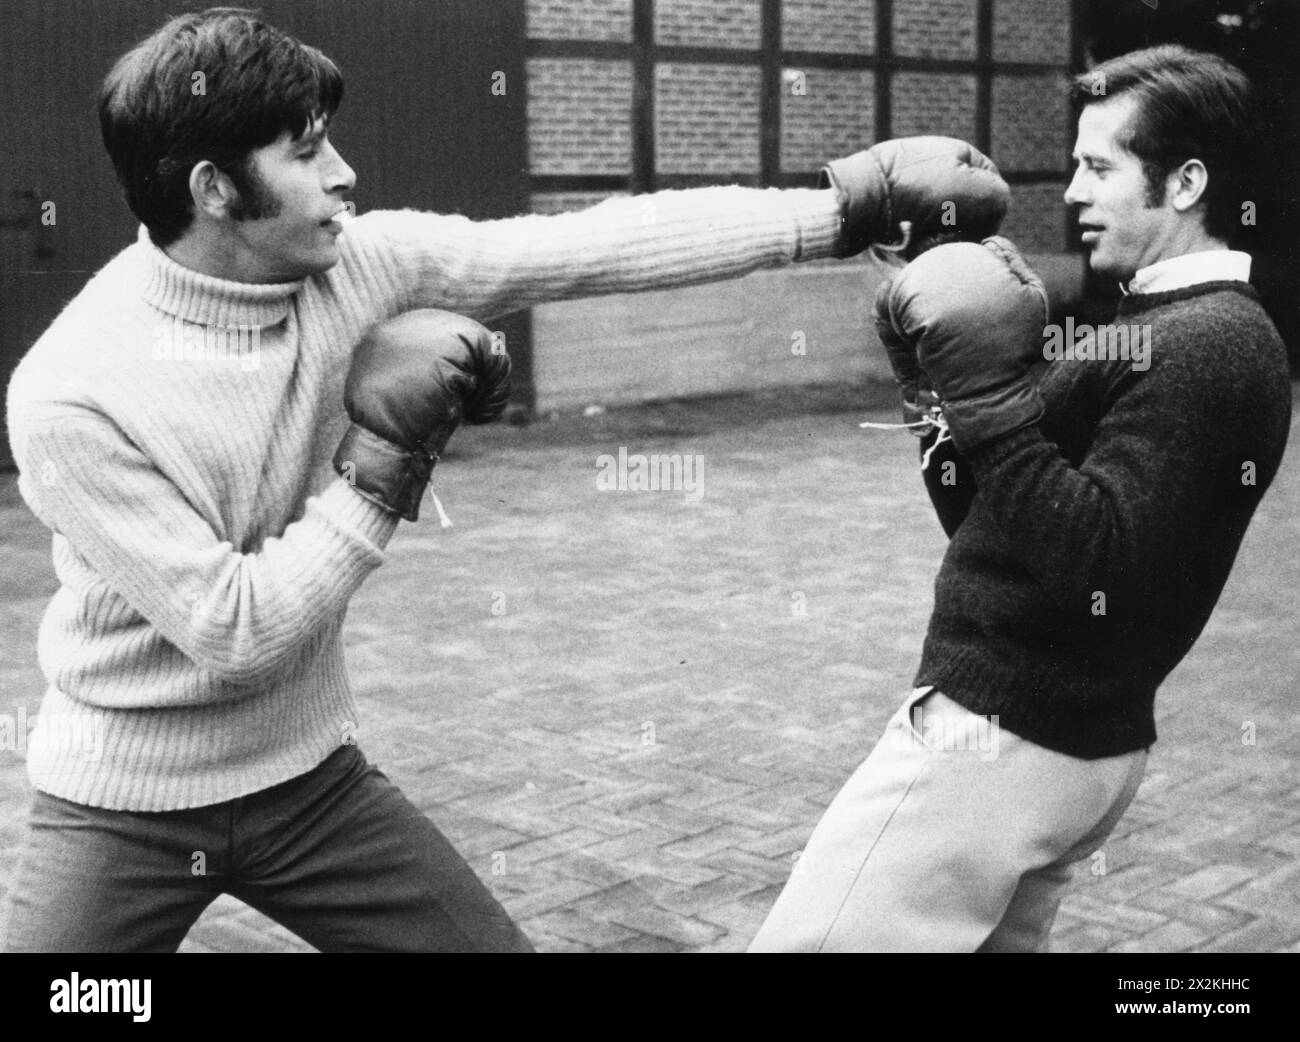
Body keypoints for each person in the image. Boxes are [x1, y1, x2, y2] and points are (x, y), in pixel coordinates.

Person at [1, 7, 1009, 952]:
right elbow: (236, 630)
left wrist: (840, 209)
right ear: (215, 190)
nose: (345, 175)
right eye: (307, 153)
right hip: (120, 804)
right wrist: (382, 463)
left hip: (304, 782)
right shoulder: (71, 393)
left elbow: (578, 247)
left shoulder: (355, 262)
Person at [750, 43, 1292, 952]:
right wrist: (935, 386)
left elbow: (1102, 570)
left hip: (1004, 737)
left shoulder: (1209, 345)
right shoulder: (1151, 324)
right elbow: (990, 526)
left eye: (1099, 166)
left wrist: (995, 403)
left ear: (1187, 182)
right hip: (1054, 743)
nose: (1072, 192)